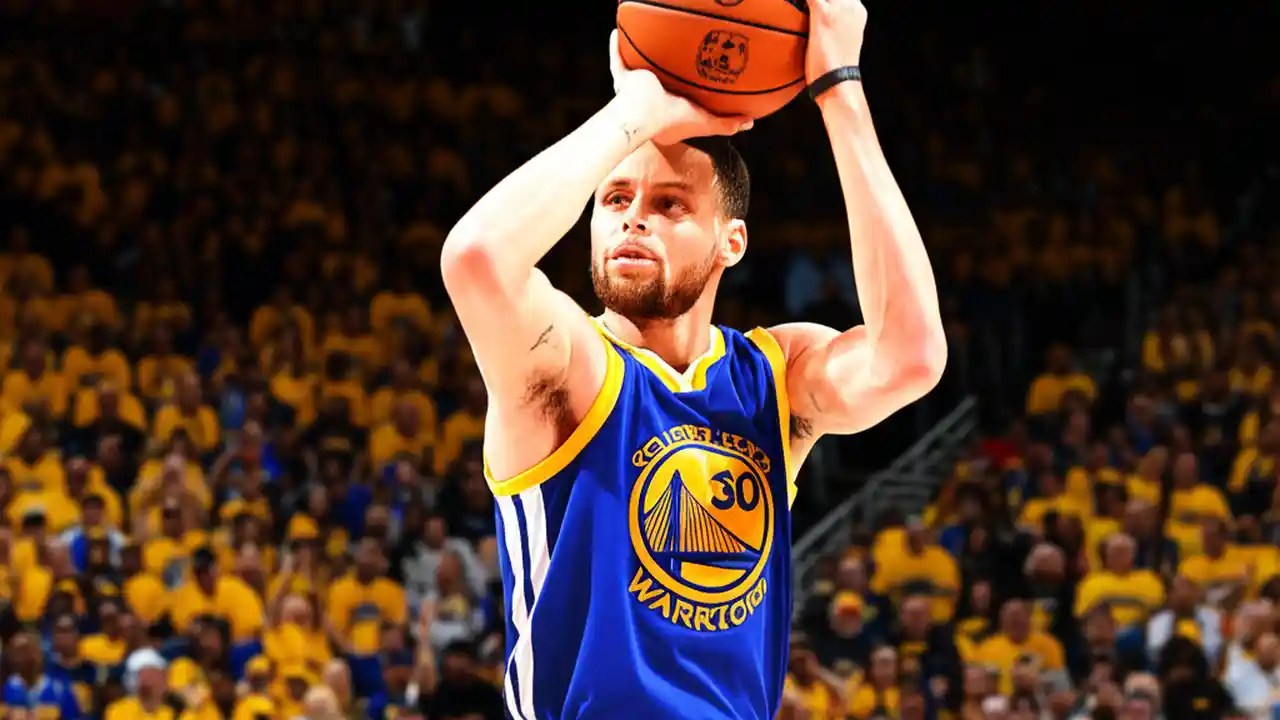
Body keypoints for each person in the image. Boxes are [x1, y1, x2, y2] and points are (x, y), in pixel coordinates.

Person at [441, 0, 945, 716]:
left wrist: (838, 86)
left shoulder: (770, 379)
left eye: (671, 204)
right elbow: (476, 259)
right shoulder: (562, 368)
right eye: (614, 198)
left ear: (731, 243)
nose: (633, 217)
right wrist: (634, 113)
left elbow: (911, 356)